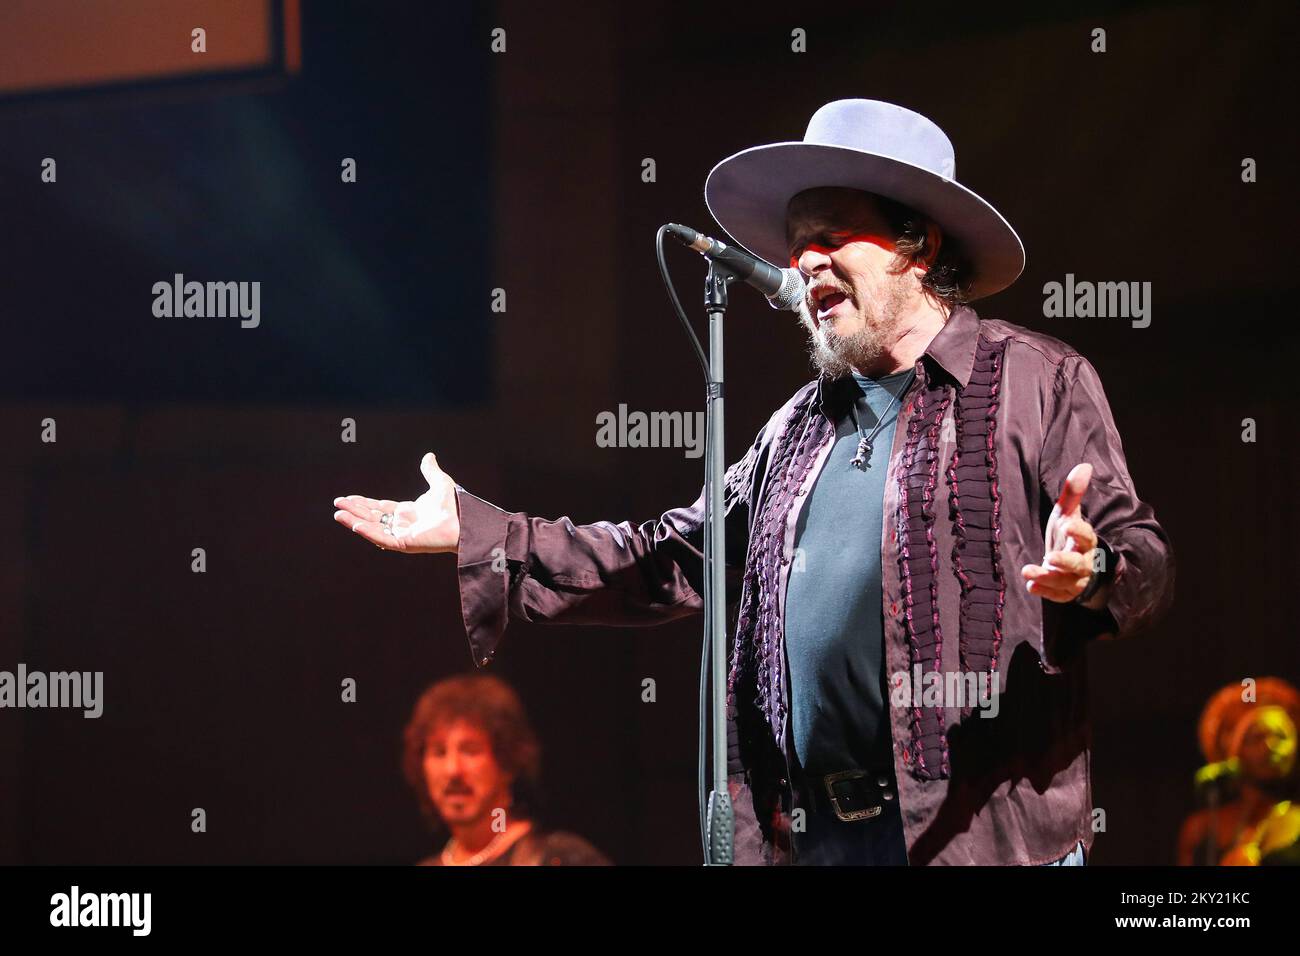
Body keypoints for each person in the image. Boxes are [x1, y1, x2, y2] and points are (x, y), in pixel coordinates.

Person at [335, 99, 1175, 865]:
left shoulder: (1035, 380)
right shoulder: (795, 428)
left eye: (833, 234)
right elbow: (667, 555)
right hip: (817, 841)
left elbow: (1142, 559)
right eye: (795, 242)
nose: (804, 260)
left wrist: (1093, 571)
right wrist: (482, 531)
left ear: (919, 245)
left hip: (978, 843)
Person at [403, 674, 609, 866]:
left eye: (470, 751)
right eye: (439, 752)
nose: (453, 769)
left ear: (506, 764)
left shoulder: (561, 857)